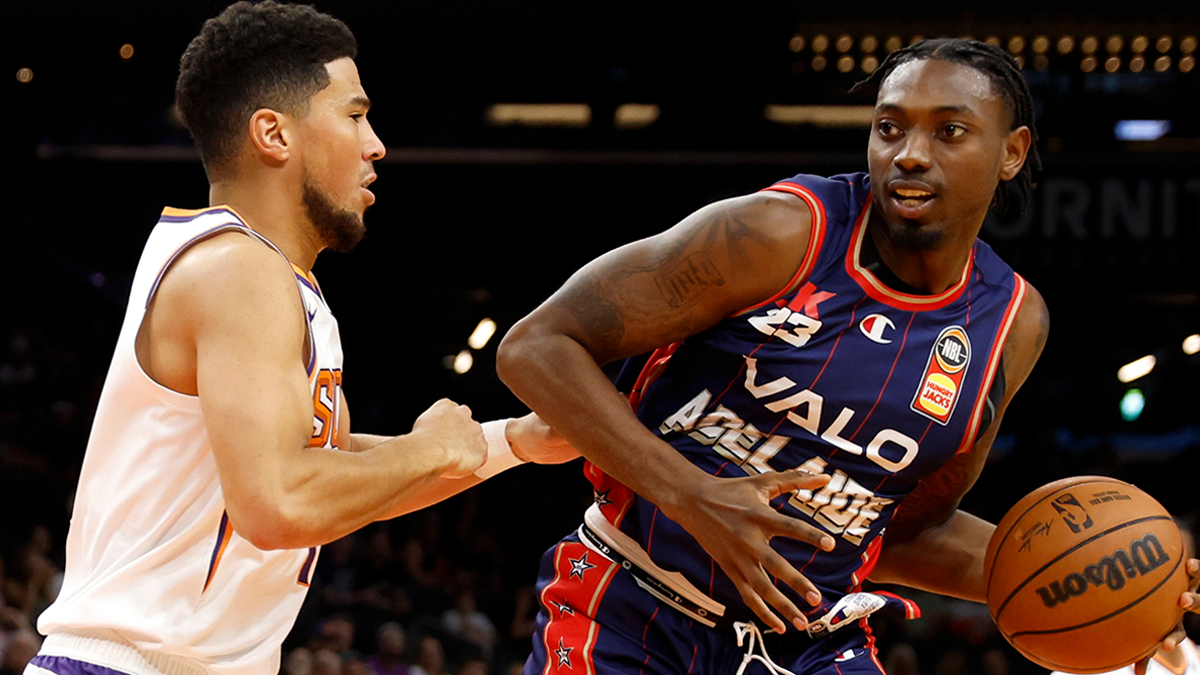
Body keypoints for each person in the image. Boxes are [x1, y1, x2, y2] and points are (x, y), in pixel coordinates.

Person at [22, 3, 575, 675]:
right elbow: (281, 500)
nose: (375, 144)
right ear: (273, 134)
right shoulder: (237, 268)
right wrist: (432, 447)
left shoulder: (274, 280)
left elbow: (337, 474)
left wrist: (510, 441)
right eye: (353, 114)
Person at [499, 38, 1051, 675]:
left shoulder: (1012, 323)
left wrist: (1092, 583)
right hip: (633, 602)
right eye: (889, 128)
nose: (910, 154)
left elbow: (893, 531)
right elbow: (535, 348)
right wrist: (692, 495)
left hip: (809, 643)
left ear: (1012, 152)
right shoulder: (780, 233)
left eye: (950, 131)